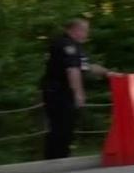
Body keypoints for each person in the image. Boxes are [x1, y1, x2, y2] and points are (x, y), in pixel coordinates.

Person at [42, 18, 112, 159]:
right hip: (59, 92)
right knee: (61, 127)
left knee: (67, 126)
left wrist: (108, 73)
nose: (86, 34)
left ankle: (60, 156)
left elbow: (86, 67)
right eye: (83, 30)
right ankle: (55, 159)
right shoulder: (67, 45)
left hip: (62, 92)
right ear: (73, 30)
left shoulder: (75, 46)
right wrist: (78, 93)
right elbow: (72, 70)